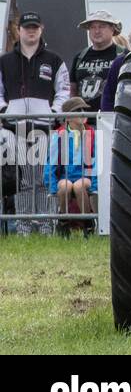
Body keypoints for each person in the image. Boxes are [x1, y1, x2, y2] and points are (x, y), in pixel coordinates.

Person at [0, 12, 70, 235]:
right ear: (18, 30)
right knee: (22, 180)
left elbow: (64, 91)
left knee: (42, 178)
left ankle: (46, 225)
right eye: (27, 27)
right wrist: (4, 110)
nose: (31, 31)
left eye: (35, 27)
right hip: (13, 128)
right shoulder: (4, 61)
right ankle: (23, 227)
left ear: (41, 29)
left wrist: (53, 112)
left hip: (44, 127)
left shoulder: (54, 59)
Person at [44, 97, 97, 238]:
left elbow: (98, 161)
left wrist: (96, 184)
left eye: (84, 109)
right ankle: (63, 222)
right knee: (65, 186)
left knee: (79, 186)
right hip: (65, 177)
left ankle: (88, 224)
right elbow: (51, 162)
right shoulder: (59, 135)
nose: (83, 113)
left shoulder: (92, 134)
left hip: (86, 177)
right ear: (68, 117)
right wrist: (52, 186)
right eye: (78, 110)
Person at [70, 10, 125, 105]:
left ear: (112, 29)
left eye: (102, 26)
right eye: (92, 27)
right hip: (83, 118)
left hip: (111, 117)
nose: (97, 31)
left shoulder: (123, 55)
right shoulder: (79, 57)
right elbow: (73, 90)